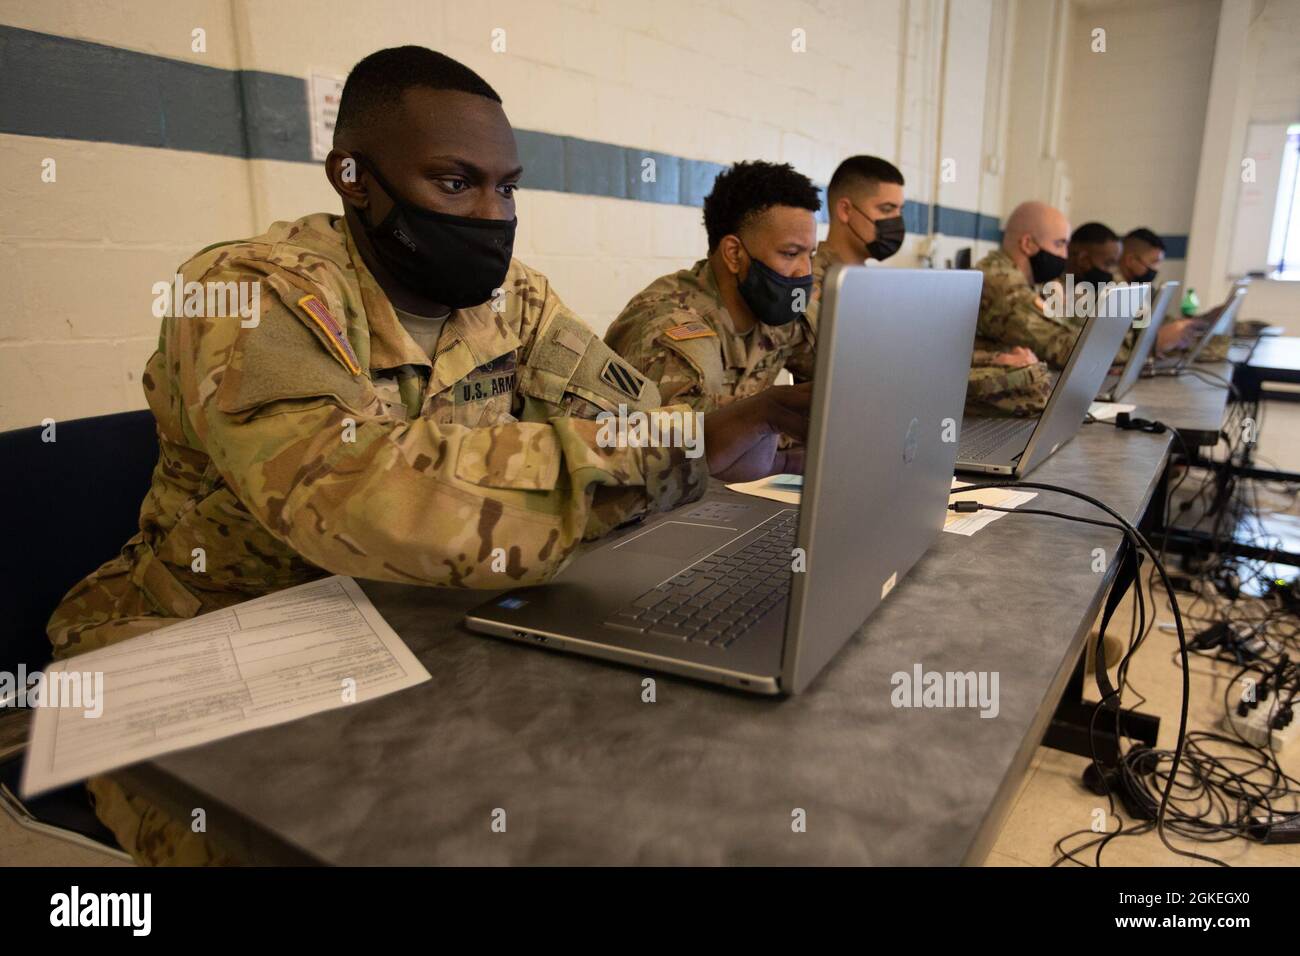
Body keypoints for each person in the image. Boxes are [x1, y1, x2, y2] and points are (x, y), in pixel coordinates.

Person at [47, 46, 810, 864]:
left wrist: (723, 428)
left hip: (397, 623)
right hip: (196, 645)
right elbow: (350, 497)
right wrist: (675, 453)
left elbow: (637, 420)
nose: (489, 213)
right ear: (353, 176)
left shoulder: (516, 299)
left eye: (506, 186)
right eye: (454, 183)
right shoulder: (248, 292)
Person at [604, 161, 820, 414]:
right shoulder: (670, 331)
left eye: (810, 255)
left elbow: (846, 379)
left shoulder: (777, 309)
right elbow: (681, 444)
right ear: (734, 254)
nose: (805, 271)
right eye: (791, 254)